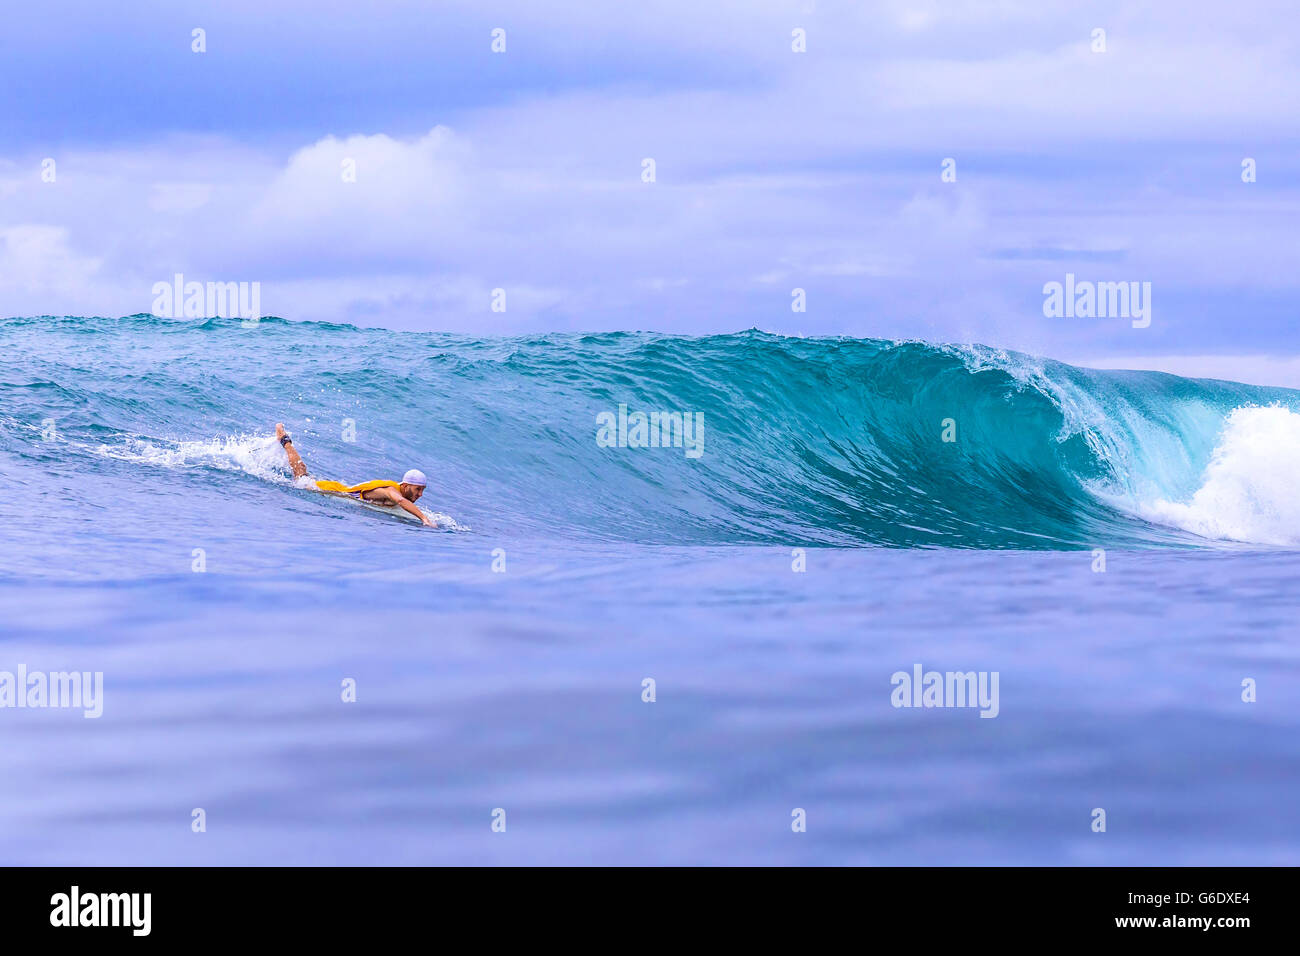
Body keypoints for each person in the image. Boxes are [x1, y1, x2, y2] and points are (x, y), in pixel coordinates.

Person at [275, 423, 433, 526]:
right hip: (330, 491)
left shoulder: (398, 491)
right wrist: (424, 519)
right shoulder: (392, 491)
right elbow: (398, 500)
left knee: (303, 472)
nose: (420, 494)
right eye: (417, 489)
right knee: (301, 476)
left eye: (422, 490)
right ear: (405, 486)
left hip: (339, 488)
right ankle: (284, 439)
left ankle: (285, 440)